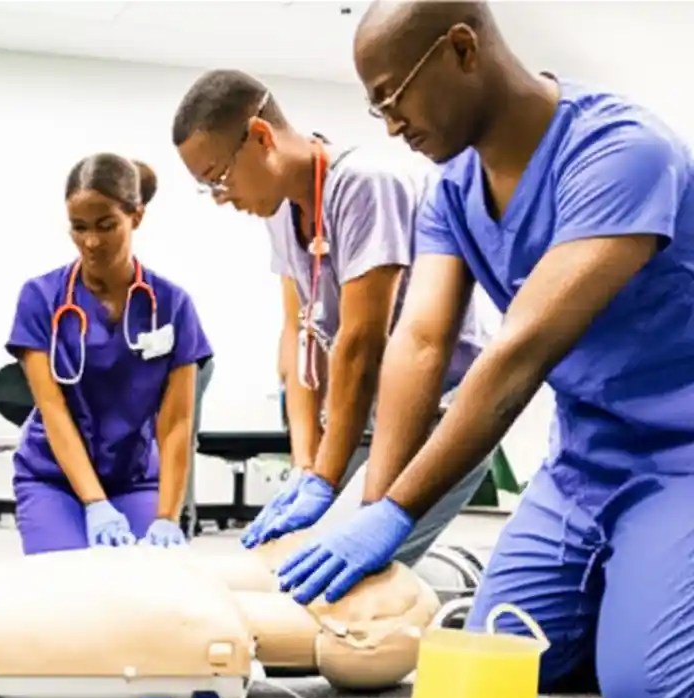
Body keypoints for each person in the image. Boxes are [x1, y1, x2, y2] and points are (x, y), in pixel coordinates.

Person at [277, 2, 694, 698]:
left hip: (680, 459)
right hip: (583, 463)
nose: (389, 124)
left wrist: (401, 511)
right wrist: (374, 507)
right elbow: (421, 340)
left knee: (650, 696)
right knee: (507, 654)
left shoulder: (623, 152)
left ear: (462, 50)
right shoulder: (453, 189)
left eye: (392, 95)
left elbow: (518, 353)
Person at [170, 69, 493, 568]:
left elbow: (363, 344)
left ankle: (462, 586)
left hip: (434, 418)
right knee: (284, 561)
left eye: (219, 177)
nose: (221, 196)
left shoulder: (365, 186)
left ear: (260, 138)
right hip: (362, 421)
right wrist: (304, 466)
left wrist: (325, 478)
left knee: (357, 579)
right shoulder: (280, 211)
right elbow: (299, 339)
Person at [5, 153, 213, 554]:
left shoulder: (172, 305)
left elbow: (176, 423)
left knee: (143, 585)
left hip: (134, 479)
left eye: (107, 226)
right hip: (53, 478)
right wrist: (96, 504)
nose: (92, 242)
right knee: (71, 587)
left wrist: (168, 517)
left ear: (136, 217)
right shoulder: (41, 298)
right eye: (78, 228)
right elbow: (53, 412)